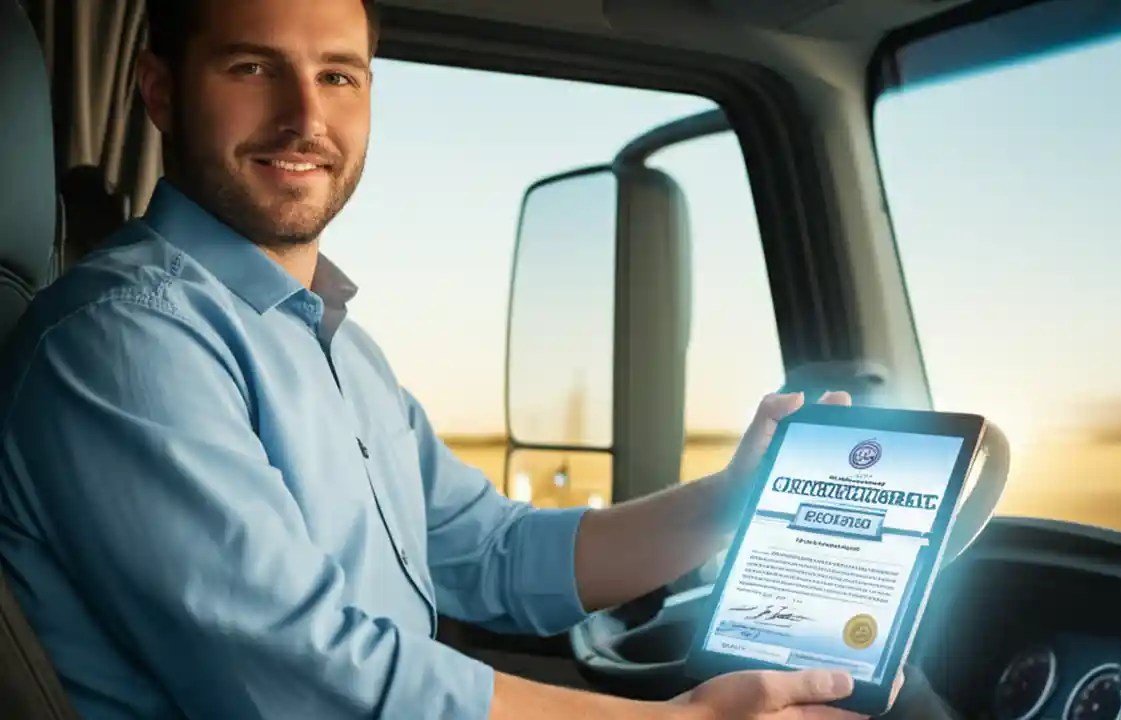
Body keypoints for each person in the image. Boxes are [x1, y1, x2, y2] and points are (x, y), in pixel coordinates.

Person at [0, 1, 928, 718]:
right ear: (159, 91)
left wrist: (728, 504)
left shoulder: (339, 347)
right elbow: (308, 679)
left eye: (338, 76)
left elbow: (493, 554)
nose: (303, 118)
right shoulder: (125, 339)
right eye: (252, 67)